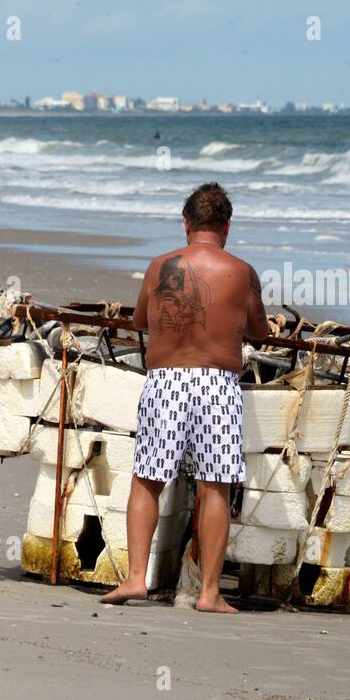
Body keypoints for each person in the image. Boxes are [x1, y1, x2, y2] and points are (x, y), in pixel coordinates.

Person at [100, 182, 269, 612]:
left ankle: (137, 578)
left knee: (148, 479)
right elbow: (259, 332)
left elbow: (141, 320)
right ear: (227, 226)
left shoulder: (159, 267)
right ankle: (209, 594)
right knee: (215, 485)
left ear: (186, 223)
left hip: (166, 380)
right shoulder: (242, 271)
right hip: (216, 383)